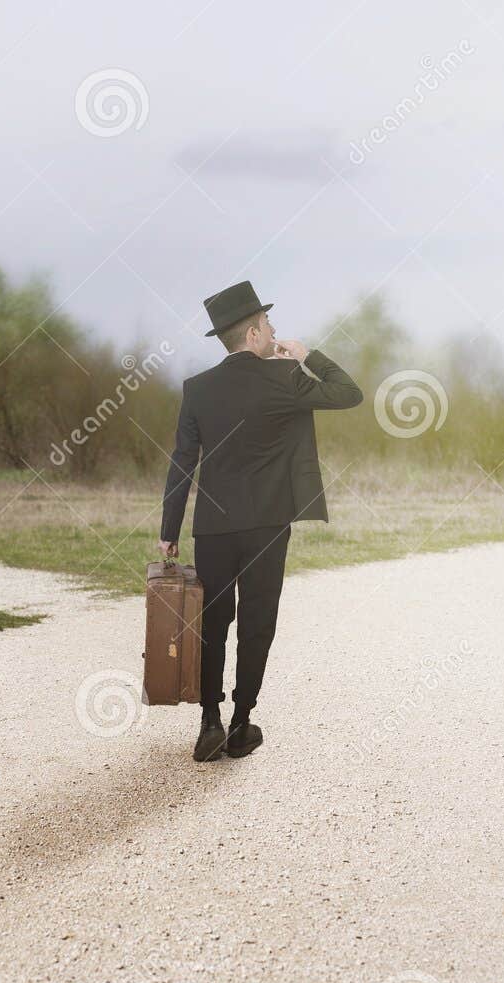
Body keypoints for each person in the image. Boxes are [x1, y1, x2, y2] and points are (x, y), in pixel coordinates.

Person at [158, 280, 364, 762]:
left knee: (213, 621)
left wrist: (169, 530)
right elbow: (349, 393)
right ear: (252, 334)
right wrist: (307, 355)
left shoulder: (197, 389)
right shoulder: (285, 378)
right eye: (268, 325)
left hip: (213, 527)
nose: (274, 331)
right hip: (267, 527)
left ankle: (209, 721)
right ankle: (240, 723)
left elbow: (182, 463)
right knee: (257, 623)